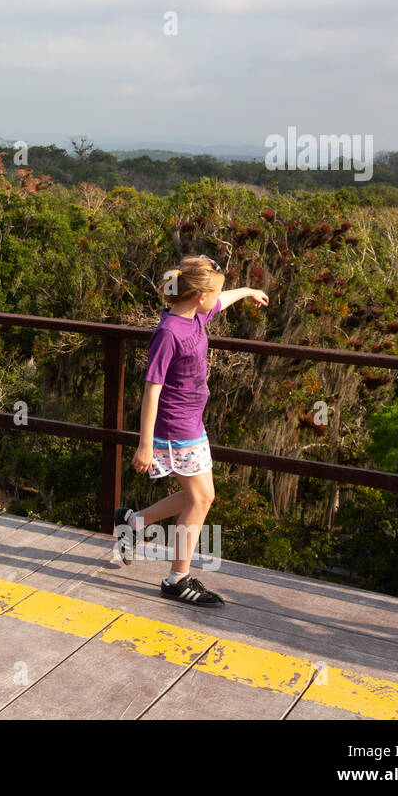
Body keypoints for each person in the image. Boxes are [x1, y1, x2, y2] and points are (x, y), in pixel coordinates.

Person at [115, 254, 268, 607]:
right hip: (173, 427)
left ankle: (133, 522)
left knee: (197, 496)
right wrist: (145, 445)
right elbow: (151, 389)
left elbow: (221, 302)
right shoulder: (169, 332)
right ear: (200, 295)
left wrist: (246, 291)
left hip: (192, 424)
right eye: (215, 293)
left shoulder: (197, 314)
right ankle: (176, 580)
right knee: (201, 499)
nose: (218, 298)